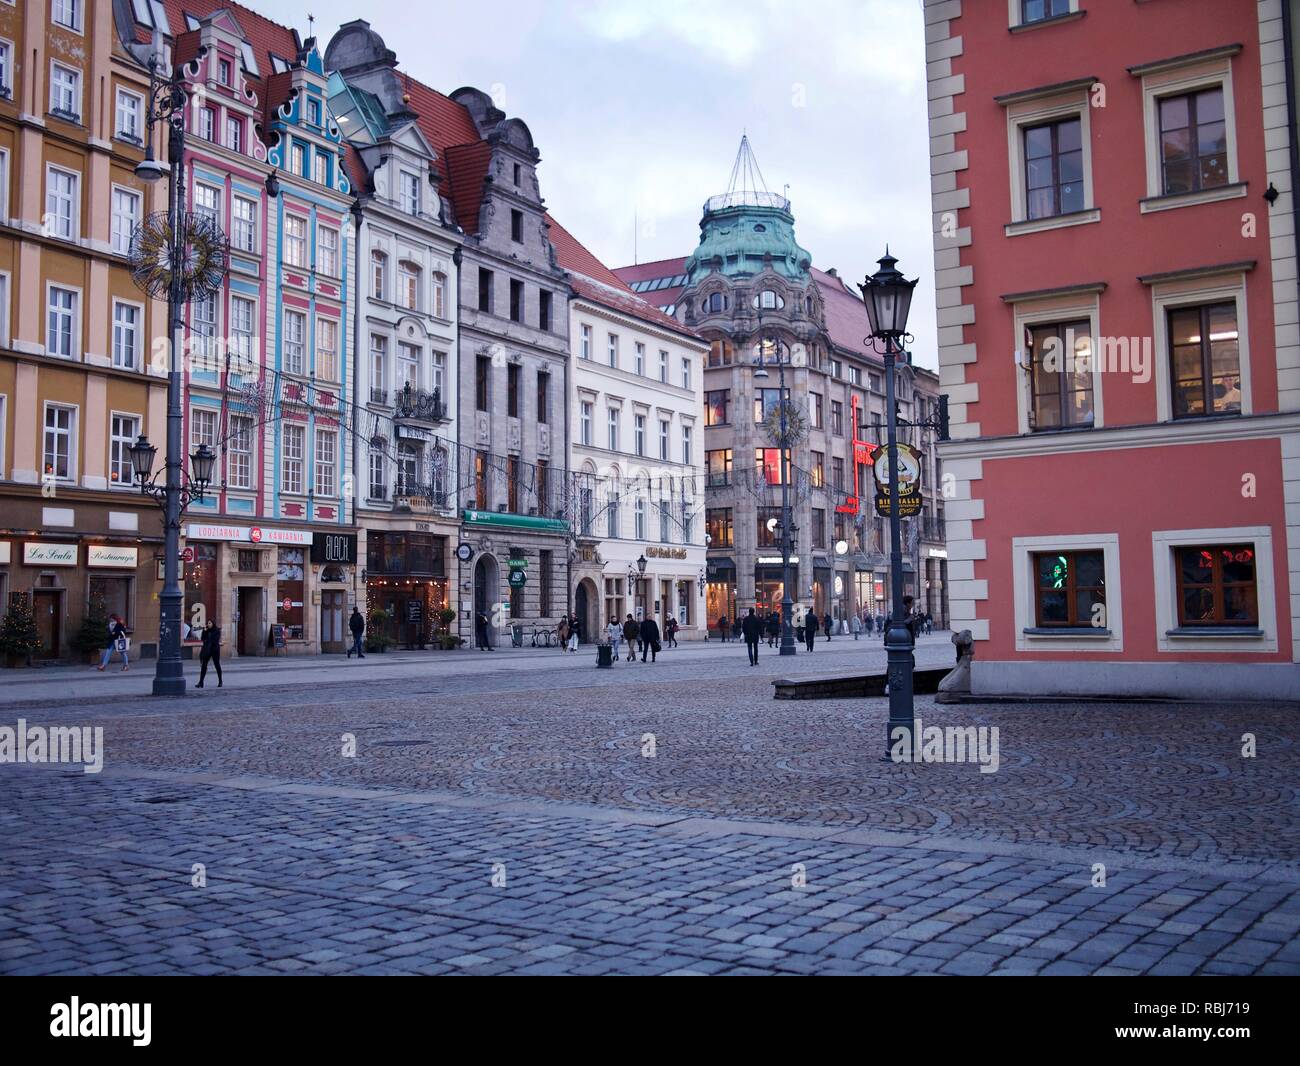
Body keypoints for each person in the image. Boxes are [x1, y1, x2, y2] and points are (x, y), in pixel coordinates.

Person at [196, 619, 222, 688]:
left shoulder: (217, 630)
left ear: (213, 623)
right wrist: (204, 632)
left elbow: (215, 640)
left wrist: (208, 637)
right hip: (207, 650)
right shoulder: (206, 631)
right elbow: (202, 638)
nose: (208, 624)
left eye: (210, 623)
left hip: (215, 650)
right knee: (204, 665)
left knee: (217, 665)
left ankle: (220, 681)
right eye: (207, 623)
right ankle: (201, 682)